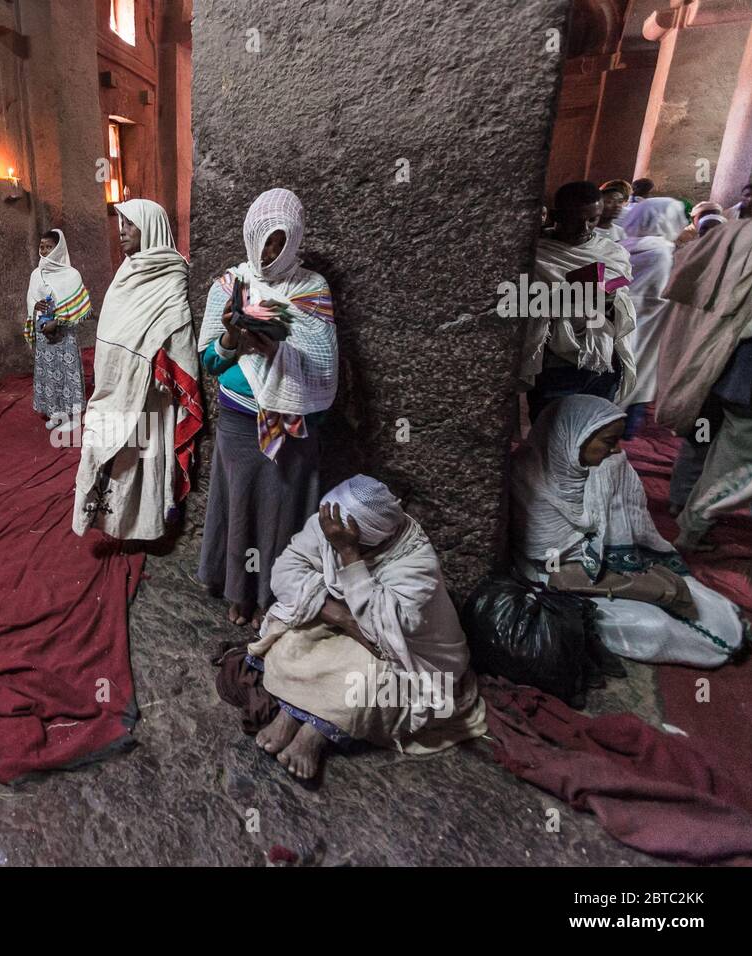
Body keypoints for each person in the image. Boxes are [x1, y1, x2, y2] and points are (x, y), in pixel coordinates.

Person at [245, 476, 487, 780]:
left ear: (364, 540)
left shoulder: (415, 565)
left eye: (342, 540)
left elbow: (384, 632)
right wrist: (342, 617)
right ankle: (290, 713)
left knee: (366, 685)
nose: (327, 535)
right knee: (288, 644)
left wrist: (348, 556)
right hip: (347, 624)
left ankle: (315, 732)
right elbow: (285, 570)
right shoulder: (332, 522)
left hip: (403, 652)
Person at [511, 395, 744, 668]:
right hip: (554, 578)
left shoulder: (610, 466)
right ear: (573, 438)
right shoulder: (528, 475)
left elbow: (633, 529)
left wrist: (629, 573)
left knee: (700, 599)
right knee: (652, 626)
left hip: (608, 568)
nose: (616, 450)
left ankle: (724, 634)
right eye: (608, 442)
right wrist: (626, 583)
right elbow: (546, 559)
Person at [196, 188, 338, 628]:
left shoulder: (311, 290)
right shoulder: (231, 285)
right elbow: (209, 362)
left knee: (281, 511)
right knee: (240, 505)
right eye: (264, 240)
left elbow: (323, 364)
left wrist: (278, 350)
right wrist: (232, 341)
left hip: (291, 422)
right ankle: (239, 592)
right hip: (238, 422)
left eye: (280, 241)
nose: (270, 251)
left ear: (294, 241)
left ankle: (272, 595)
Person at [73, 199, 203, 541]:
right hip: (114, 388)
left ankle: (145, 529)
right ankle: (111, 524)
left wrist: (157, 364)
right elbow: (114, 332)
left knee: (144, 462)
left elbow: (178, 331)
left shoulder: (171, 274)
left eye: (130, 225)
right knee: (112, 456)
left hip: (150, 392)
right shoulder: (125, 273)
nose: (122, 231)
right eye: (121, 224)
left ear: (152, 227)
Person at [654, 218, 752, 549]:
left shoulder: (732, 232)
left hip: (710, 357)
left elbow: (684, 274)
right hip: (744, 373)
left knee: (702, 434)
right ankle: (692, 526)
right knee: (737, 459)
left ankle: (680, 498)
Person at [520, 181, 636, 424]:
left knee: (591, 433)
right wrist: (566, 297)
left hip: (603, 359)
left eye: (593, 219)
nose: (585, 228)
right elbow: (519, 305)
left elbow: (623, 304)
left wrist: (609, 300)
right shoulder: (535, 255)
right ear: (556, 216)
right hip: (555, 364)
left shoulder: (611, 252)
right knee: (552, 434)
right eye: (576, 219)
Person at [617, 197, 690, 430]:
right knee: (631, 393)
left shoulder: (622, 245)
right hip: (646, 333)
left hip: (618, 327)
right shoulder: (662, 254)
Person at [25, 229, 91, 432]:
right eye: (42, 247)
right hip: (44, 332)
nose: (44, 251)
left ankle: (72, 416)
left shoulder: (71, 275)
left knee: (66, 373)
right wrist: (37, 311)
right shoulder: (37, 274)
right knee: (49, 373)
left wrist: (59, 321)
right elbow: (32, 301)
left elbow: (78, 306)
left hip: (64, 335)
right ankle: (55, 413)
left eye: (49, 247)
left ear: (58, 248)